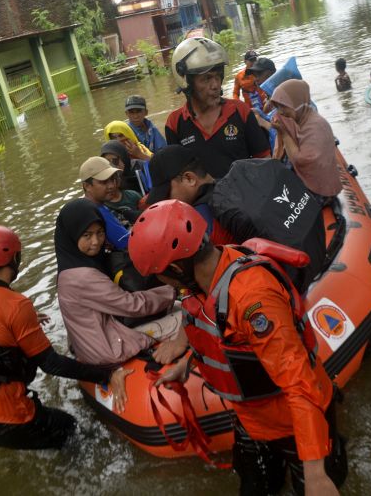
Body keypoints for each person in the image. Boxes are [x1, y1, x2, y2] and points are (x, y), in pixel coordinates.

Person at [128, 201, 347, 495]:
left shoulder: (252, 299)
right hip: (252, 420)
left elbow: (299, 384)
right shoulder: (207, 280)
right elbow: (225, 339)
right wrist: (187, 364)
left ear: (178, 267)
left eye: (160, 275)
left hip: (293, 422)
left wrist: (316, 475)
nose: (161, 281)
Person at [0, 225, 131, 450]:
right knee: (71, 428)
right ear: (15, 257)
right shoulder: (16, 304)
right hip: (8, 420)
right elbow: (52, 364)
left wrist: (24, 322)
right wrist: (107, 374)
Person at [55, 199, 182, 366]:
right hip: (108, 348)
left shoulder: (70, 264)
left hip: (96, 336)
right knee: (185, 316)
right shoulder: (83, 277)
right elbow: (131, 306)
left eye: (100, 233)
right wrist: (173, 290)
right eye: (86, 235)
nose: (95, 241)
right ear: (71, 234)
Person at [166, 37, 271, 179]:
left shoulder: (241, 111)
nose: (215, 85)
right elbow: (179, 178)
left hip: (246, 196)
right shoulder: (174, 123)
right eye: (206, 79)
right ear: (187, 82)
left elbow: (264, 160)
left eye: (217, 77)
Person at [146, 145, 235, 245]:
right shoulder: (233, 187)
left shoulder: (198, 221)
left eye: (166, 193)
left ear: (189, 179)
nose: (165, 201)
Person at [270, 79, 343, 199]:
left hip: (321, 192)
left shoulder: (314, 126)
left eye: (284, 106)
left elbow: (300, 160)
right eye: (278, 107)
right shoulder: (304, 121)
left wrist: (284, 133)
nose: (281, 112)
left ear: (296, 102)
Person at [79, 156, 131, 250]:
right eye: (104, 182)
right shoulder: (96, 212)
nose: (111, 185)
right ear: (87, 186)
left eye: (112, 179)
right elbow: (128, 244)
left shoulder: (90, 206)